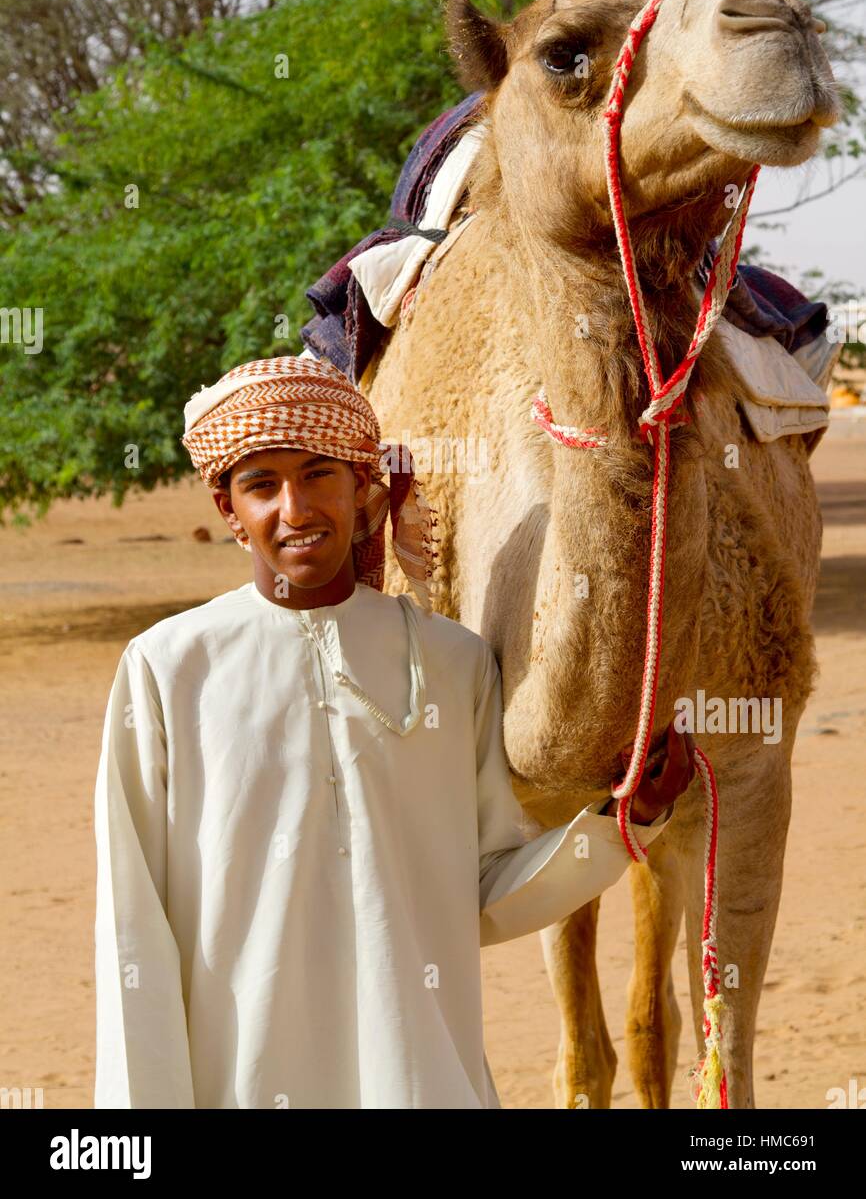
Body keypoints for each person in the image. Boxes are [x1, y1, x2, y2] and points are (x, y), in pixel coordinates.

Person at [93, 353, 695, 1109]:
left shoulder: (451, 662)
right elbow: (132, 919)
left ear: (362, 485)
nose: (296, 509)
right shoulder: (167, 668)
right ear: (227, 509)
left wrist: (622, 823)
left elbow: (478, 893)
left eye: (319, 474)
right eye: (261, 485)